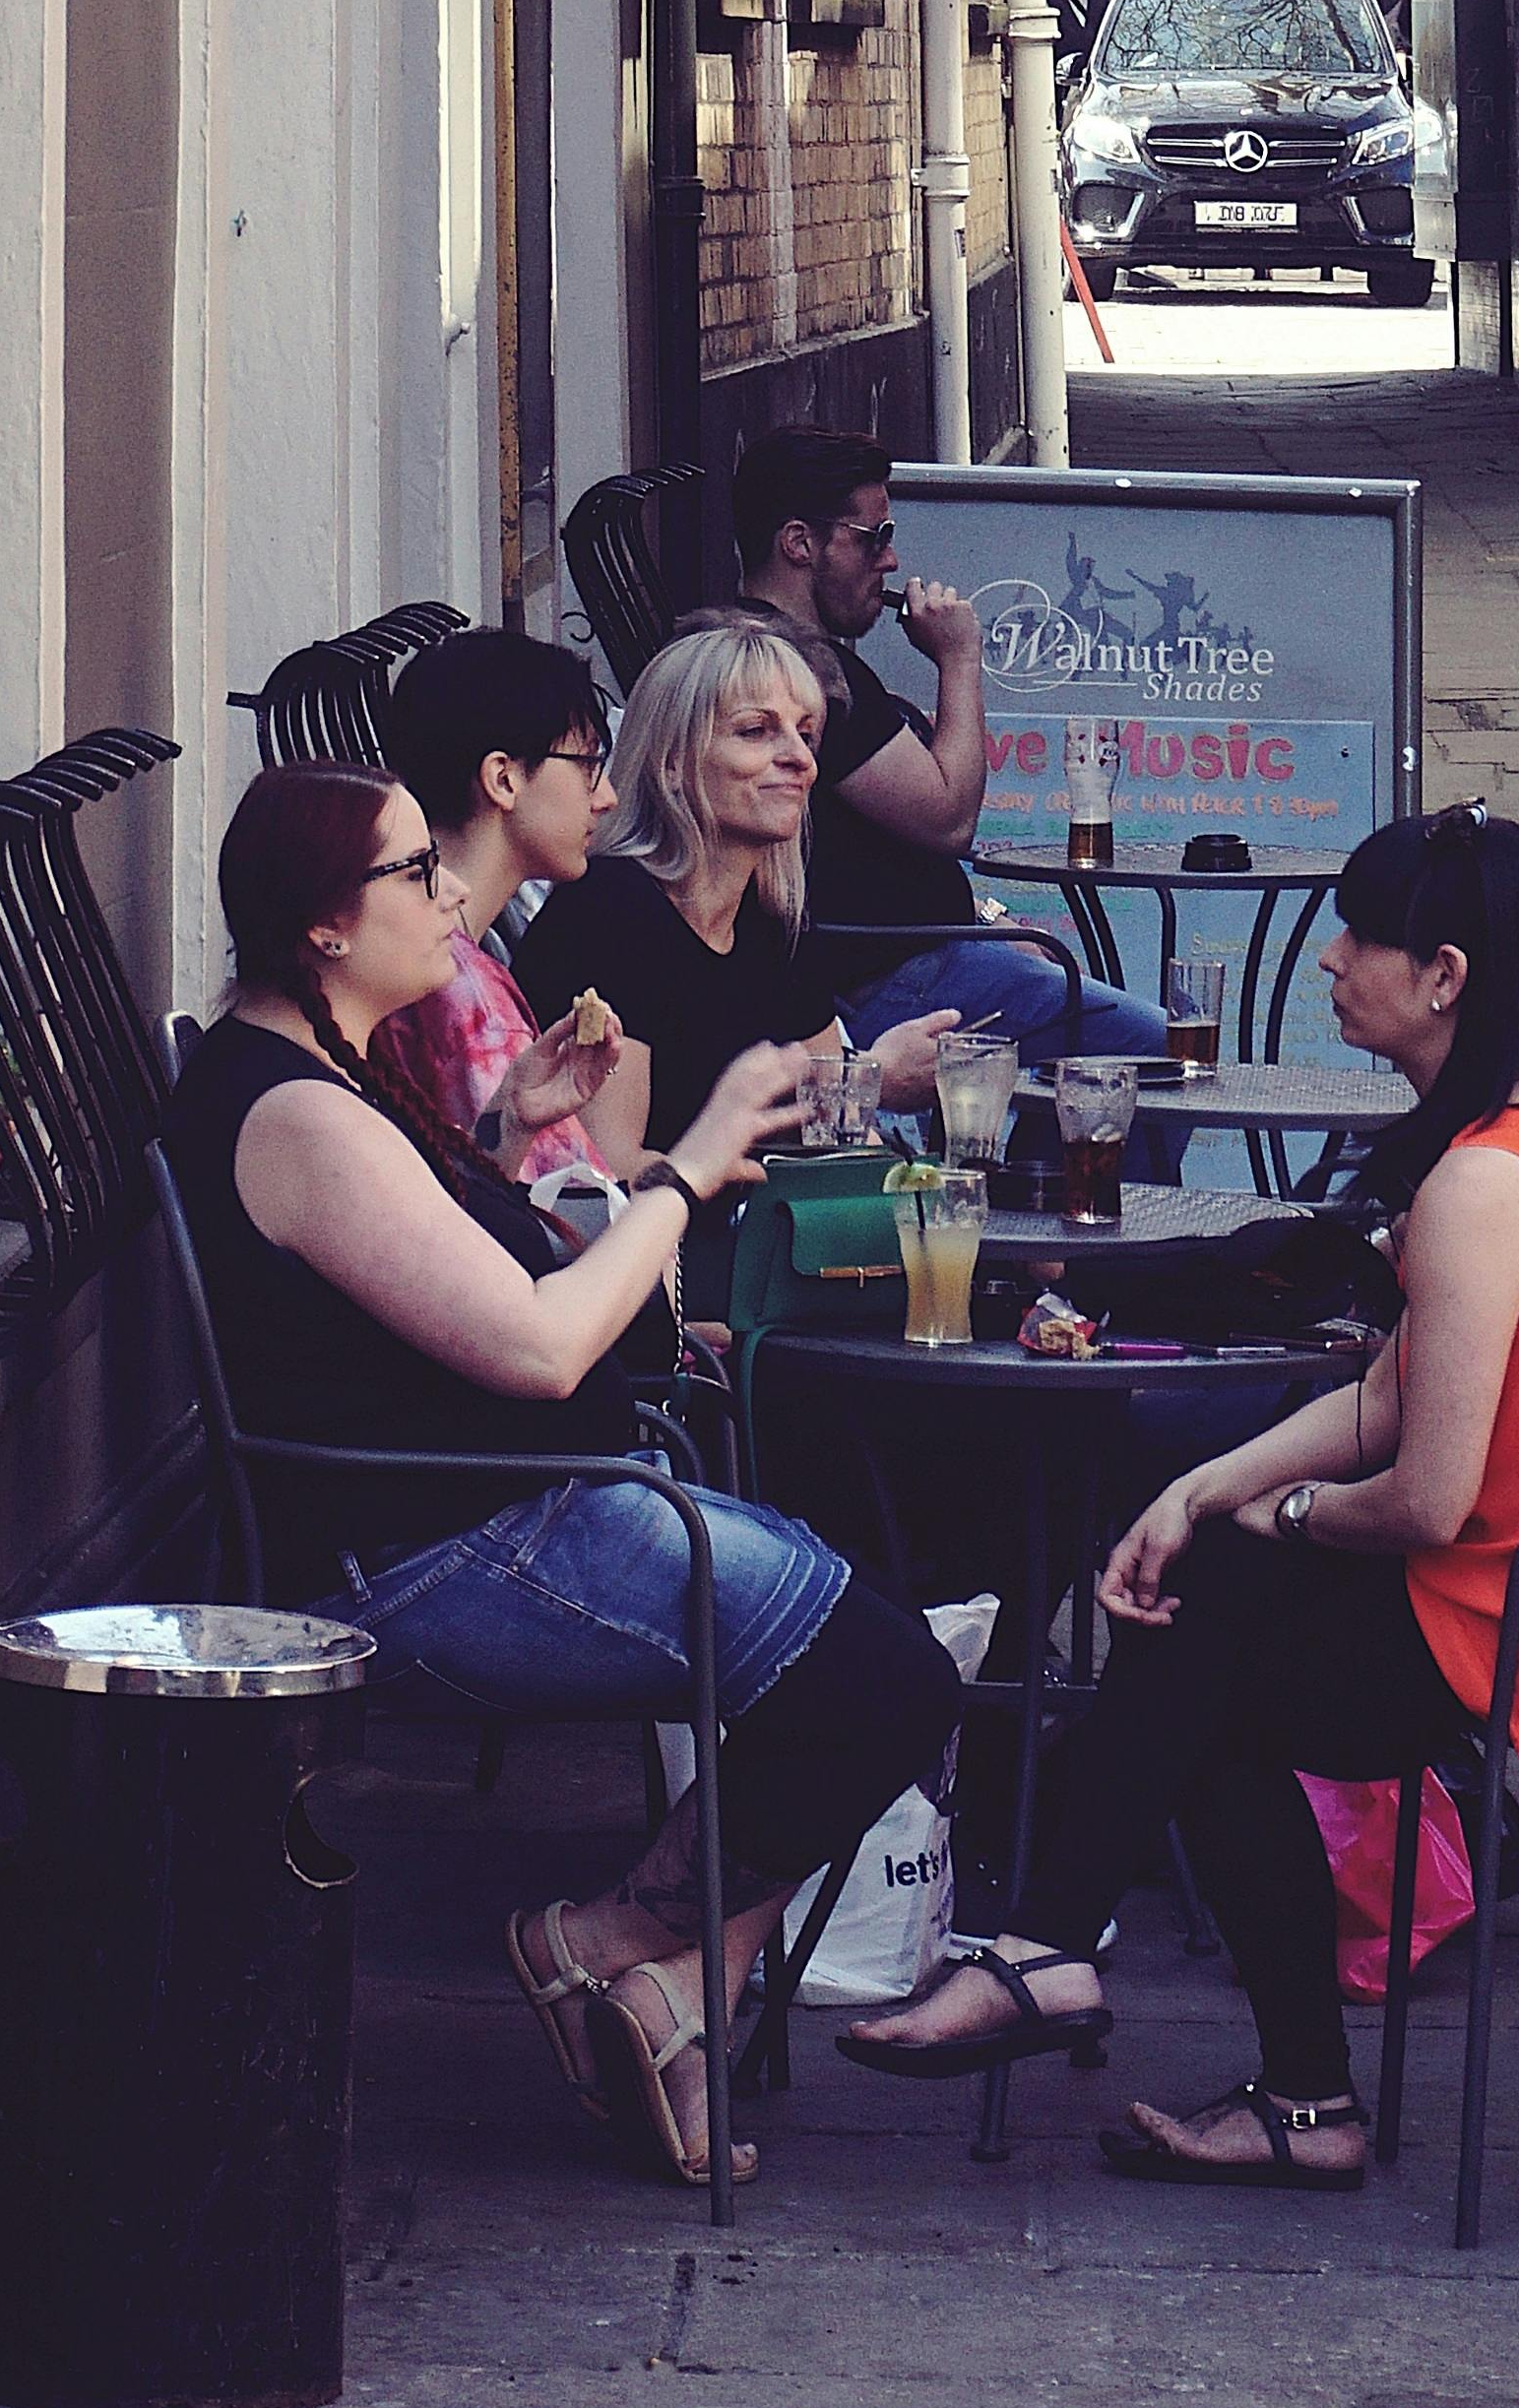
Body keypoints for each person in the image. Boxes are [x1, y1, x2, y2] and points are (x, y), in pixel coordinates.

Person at [834, 809, 1519, 2186]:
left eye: (1360, 937)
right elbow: (1387, 1395)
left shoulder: (1483, 1185)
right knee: (1201, 1636)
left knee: (1203, 1654)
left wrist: (1260, 1516)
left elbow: (1425, 1500)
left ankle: (1096, 1978)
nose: (1330, 960)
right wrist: (1202, 1491)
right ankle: (1197, 2043)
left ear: (1442, 975)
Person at [160, 762, 963, 2186]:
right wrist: (689, 1167)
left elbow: (380, 1289)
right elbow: (538, 1348)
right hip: (440, 1557)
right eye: (414, 871)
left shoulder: (325, 1070)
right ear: (326, 925)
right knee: (890, 1682)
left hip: (501, 1511)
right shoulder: (298, 1114)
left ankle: (667, 1983)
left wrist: (501, 1128)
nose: (451, 894)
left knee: (870, 1665)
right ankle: (609, 1948)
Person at [730, 427, 1165, 1063]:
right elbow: (948, 819)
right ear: (799, 543)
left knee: (1100, 1012)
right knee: (1159, 1048)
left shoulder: (776, 657)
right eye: (873, 537)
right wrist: (960, 657)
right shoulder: (801, 678)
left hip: (921, 951)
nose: (890, 561)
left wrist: (983, 920)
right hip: (882, 980)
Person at [512, 614, 963, 1168]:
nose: (800, 758)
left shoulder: (770, 921)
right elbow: (608, 1172)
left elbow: (837, 1137)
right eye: (755, 731)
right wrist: (871, 1076)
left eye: (806, 734)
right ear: (672, 763)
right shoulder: (610, 913)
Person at [371, 627, 625, 1208]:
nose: (606, 796)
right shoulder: (460, 993)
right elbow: (566, 1215)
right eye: (588, 764)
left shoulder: (410, 951)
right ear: (503, 779)